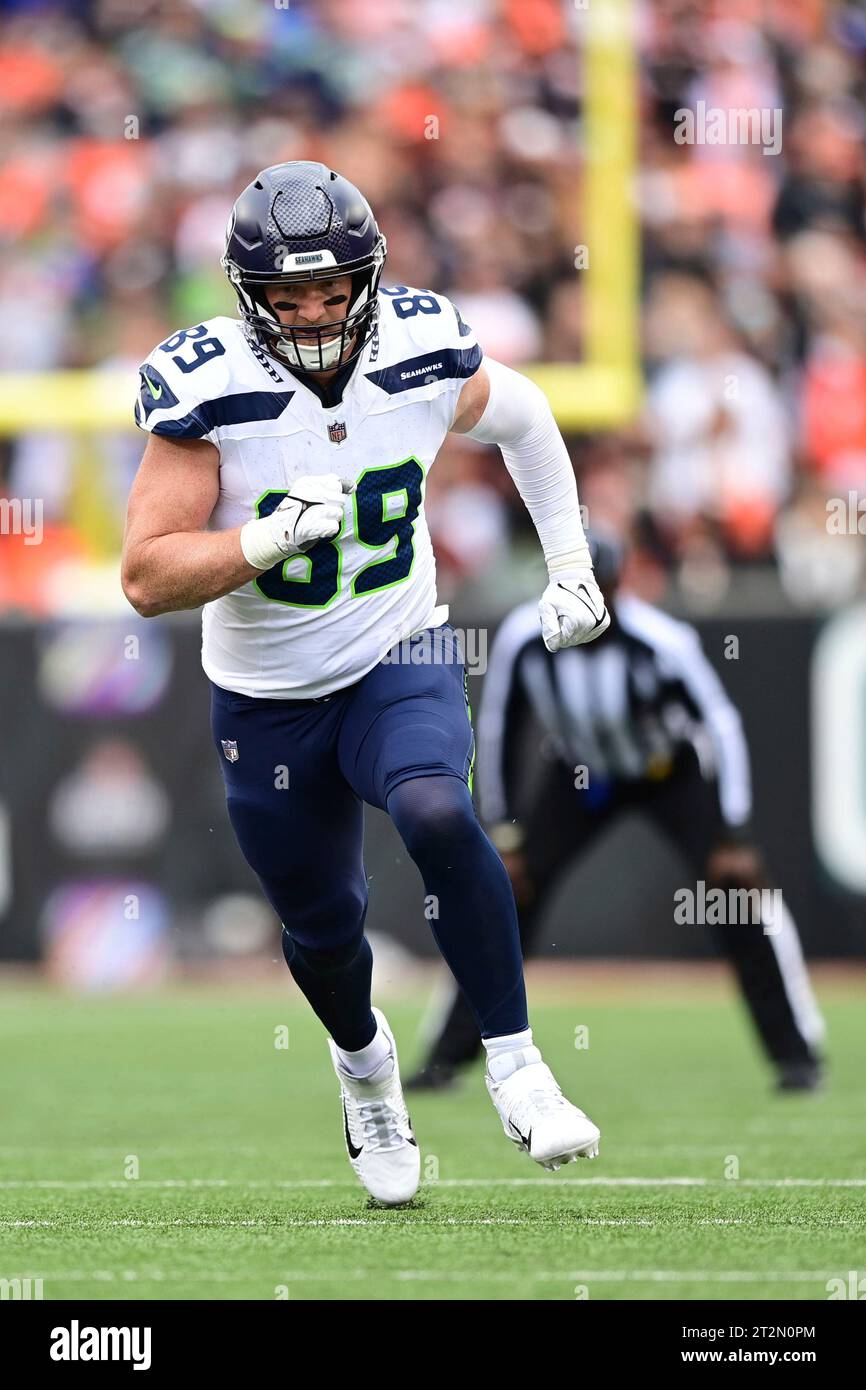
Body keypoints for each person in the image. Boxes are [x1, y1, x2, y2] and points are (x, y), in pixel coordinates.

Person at [121, 161, 611, 1206]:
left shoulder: (423, 344)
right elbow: (145, 575)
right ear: (249, 296)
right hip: (266, 696)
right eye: (287, 298)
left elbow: (524, 419)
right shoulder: (210, 384)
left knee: (437, 808)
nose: (312, 314)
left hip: (400, 649)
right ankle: (363, 1068)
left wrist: (569, 563)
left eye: (331, 290)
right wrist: (257, 539)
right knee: (325, 926)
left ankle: (518, 1065)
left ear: (368, 277)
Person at [408, 535, 825, 1095]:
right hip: (580, 777)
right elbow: (501, 729)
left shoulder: (660, 640)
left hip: (665, 772)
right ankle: (447, 1056)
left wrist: (733, 830)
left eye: (593, 586)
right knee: (501, 895)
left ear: (617, 586)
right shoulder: (525, 639)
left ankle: (796, 1054)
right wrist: (505, 834)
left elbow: (720, 725)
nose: (581, 598)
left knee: (737, 897)